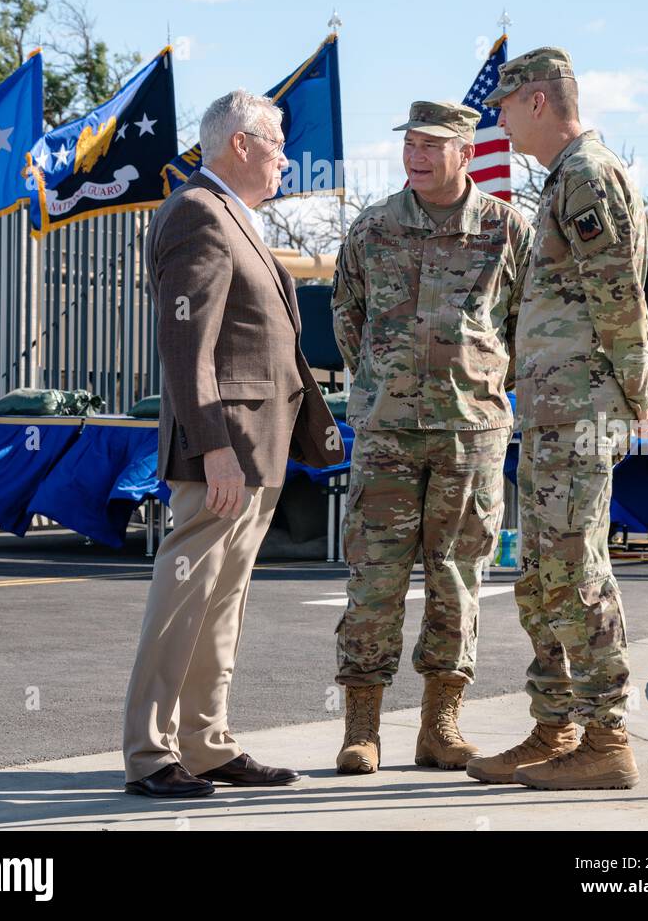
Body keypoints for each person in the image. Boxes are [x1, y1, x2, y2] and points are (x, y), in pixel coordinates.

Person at [123, 89, 344, 799]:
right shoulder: (197, 212)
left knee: (222, 601)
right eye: (277, 141)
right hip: (223, 447)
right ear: (240, 145)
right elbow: (188, 347)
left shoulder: (231, 215)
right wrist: (213, 445)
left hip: (259, 446)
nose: (286, 155)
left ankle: (206, 742)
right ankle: (151, 754)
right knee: (184, 597)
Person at [467, 48, 648, 792]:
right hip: (559, 407)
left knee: (575, 570)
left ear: (539, 103)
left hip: (581, 409)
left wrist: (638, 389)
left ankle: (606, 738)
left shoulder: (587, 175)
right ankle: (556, 728)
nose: (499, 122)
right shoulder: (567, 176)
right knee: (546, 572)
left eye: (506, 108)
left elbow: (617, 293)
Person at [331, 100, 533, 773]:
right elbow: (347, 315)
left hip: (471, 432)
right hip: (386, 431)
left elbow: (527, 324)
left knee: (457, 579)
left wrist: (476, 379)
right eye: (410, 142)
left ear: (465, 153)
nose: (415, 155)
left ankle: (440, 726)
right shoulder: (372, 229)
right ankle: (361, 729)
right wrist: (388, 382)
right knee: (374, 578)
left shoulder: (508, 231)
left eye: (431, 145)